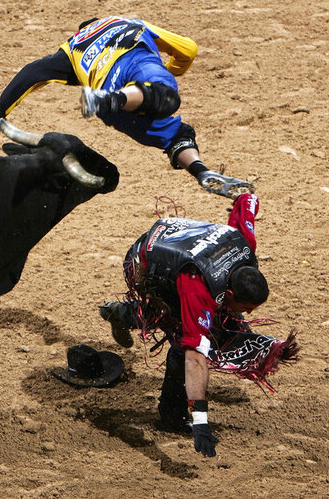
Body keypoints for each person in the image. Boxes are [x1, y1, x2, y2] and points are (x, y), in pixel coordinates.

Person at [99, 191, 299, 457]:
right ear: (230, 294)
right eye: (247, 307)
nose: (248, 313)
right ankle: (171, 415)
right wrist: (201, 420)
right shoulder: (198, 289)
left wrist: (244, 196)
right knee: (182, 340)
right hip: (145, 265)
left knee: (201, 321)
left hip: (173, 249)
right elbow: (194, 357)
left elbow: (247, 204)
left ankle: (122, 313)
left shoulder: (245, 246)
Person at [0, 16, 253, 199]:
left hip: (110, 105)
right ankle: (126, 98)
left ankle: (202, 172)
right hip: (136, 64)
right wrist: (171, 70)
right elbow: (188, 49)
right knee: (167, 101)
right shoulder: (126, 22)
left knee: (175, 133)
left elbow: (31, 73)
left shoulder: (72, 49)